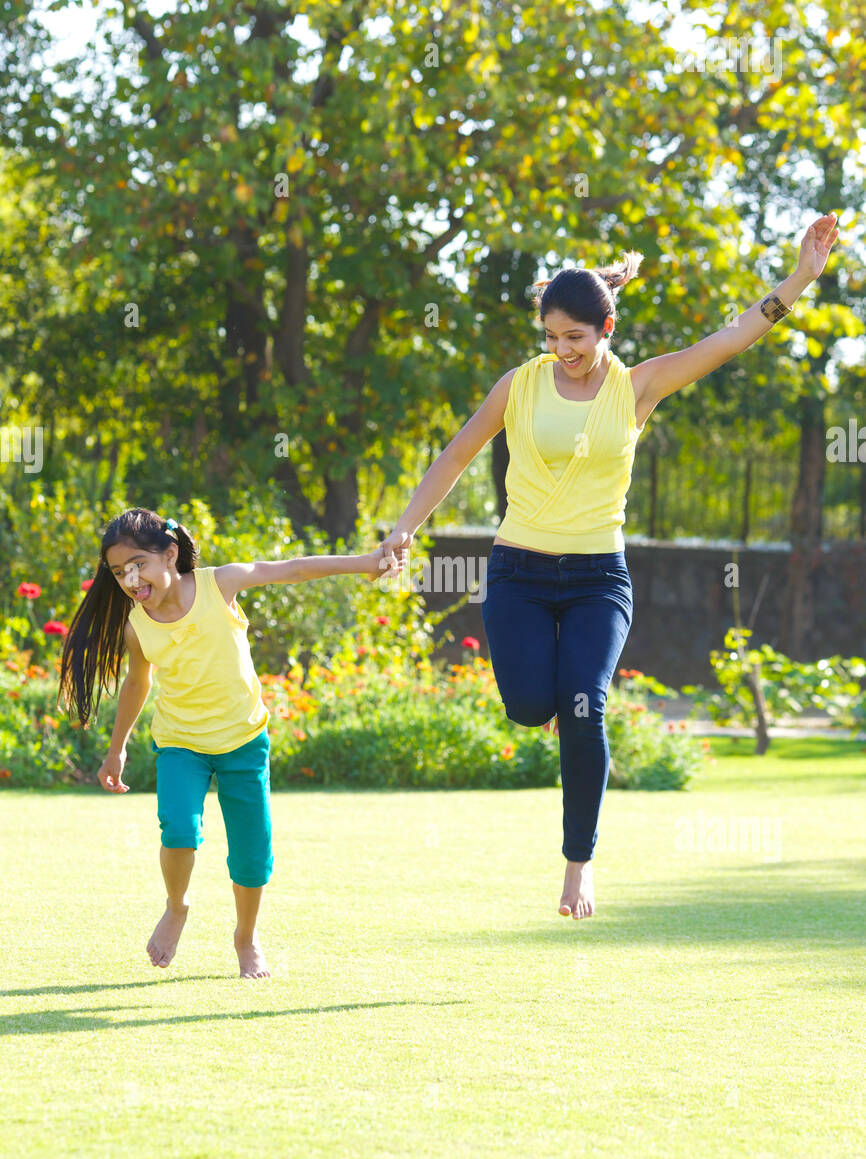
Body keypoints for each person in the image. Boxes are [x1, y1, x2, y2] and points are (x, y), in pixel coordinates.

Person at [379, 213, 839, 919]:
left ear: (606, 330)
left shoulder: (638, 388)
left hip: (598, 580)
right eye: (551, 337)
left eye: (576, 337)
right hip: (518, 574)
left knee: (585, 707)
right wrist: (406, 528)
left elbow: (731, 336)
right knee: (532, 706)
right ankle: (559, 707)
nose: (563, 350)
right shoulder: (519, 385)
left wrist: (801, 278)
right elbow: (457, 453)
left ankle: (578, 867)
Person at [57, 509, 400, 978]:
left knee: (252, 853)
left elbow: (292, 569)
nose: (129, 579)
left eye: (137, 564)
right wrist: (117, 748)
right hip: (181, 743)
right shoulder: (138, 626)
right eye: (119, 572)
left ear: (170, 554)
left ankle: (246, 937)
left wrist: (368, 562)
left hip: (243, 740)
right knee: (178, 829)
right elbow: (138, 684)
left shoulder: (221, 584)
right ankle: (177, 906)